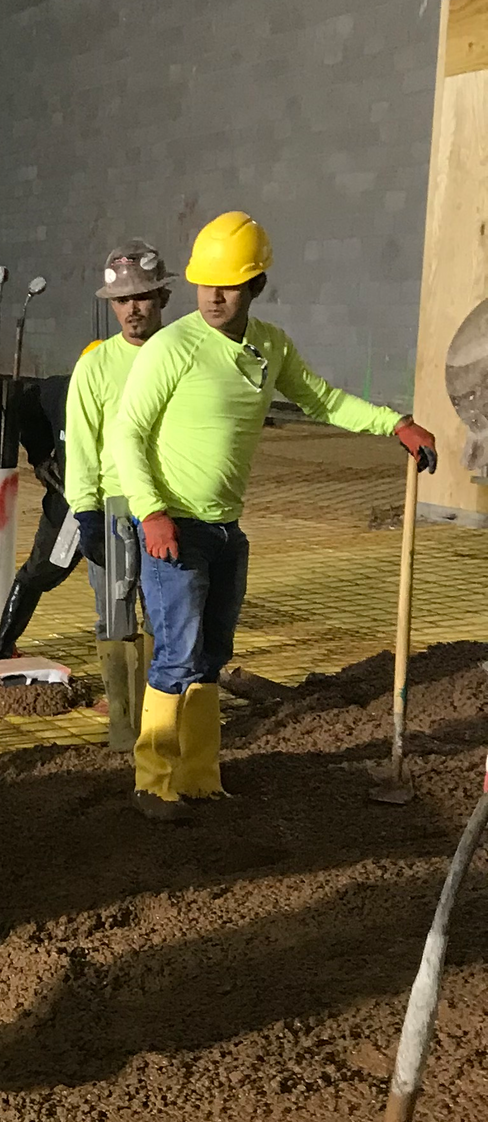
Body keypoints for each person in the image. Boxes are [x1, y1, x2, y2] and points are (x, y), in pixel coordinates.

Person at [112, 211, 437, 820]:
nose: (212, 296)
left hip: (225, 530)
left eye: (227, 285)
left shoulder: (270, 346)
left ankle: (201, 776)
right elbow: (126, 434)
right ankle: (152, 781)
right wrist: (149, 511)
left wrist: (392, 422)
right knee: (177, 652)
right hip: (172, 525)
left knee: (211, 653)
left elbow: (322, 398)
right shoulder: (172, 346)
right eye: (205, 283)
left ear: (255, 285)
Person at [62, 240, 173, 751]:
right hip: (112, 510)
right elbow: (82, 446)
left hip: (168, 510)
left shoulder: (181, 357)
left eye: (143, 297)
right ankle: (124, 728)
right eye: (122, 300)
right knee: (115, 617)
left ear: (162, 298)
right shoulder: (95, 366)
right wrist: (84, 510)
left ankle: (159, 725)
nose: (132, 308)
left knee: (165, 615)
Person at [0, 369, 76, 661]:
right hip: (71, 505)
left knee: (138, 580)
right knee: (39, 571)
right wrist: (40, 456)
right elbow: (26, 406)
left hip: (120, 504)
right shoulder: (60, 392)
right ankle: (1, 649)